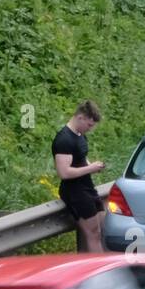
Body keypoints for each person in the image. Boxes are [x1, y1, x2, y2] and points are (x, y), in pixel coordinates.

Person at [52, 100, 107, 252]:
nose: (90, 129)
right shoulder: (64, 139)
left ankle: (102, 265)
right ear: (81, 117)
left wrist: (92, 166)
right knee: (93, 234)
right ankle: (99, 272)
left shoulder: (80, 135)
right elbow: (64, 172)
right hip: (75, 191)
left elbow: (81, 159)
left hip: (87, 187)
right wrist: (90, 168)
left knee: (102, 227)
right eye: (89, 125)